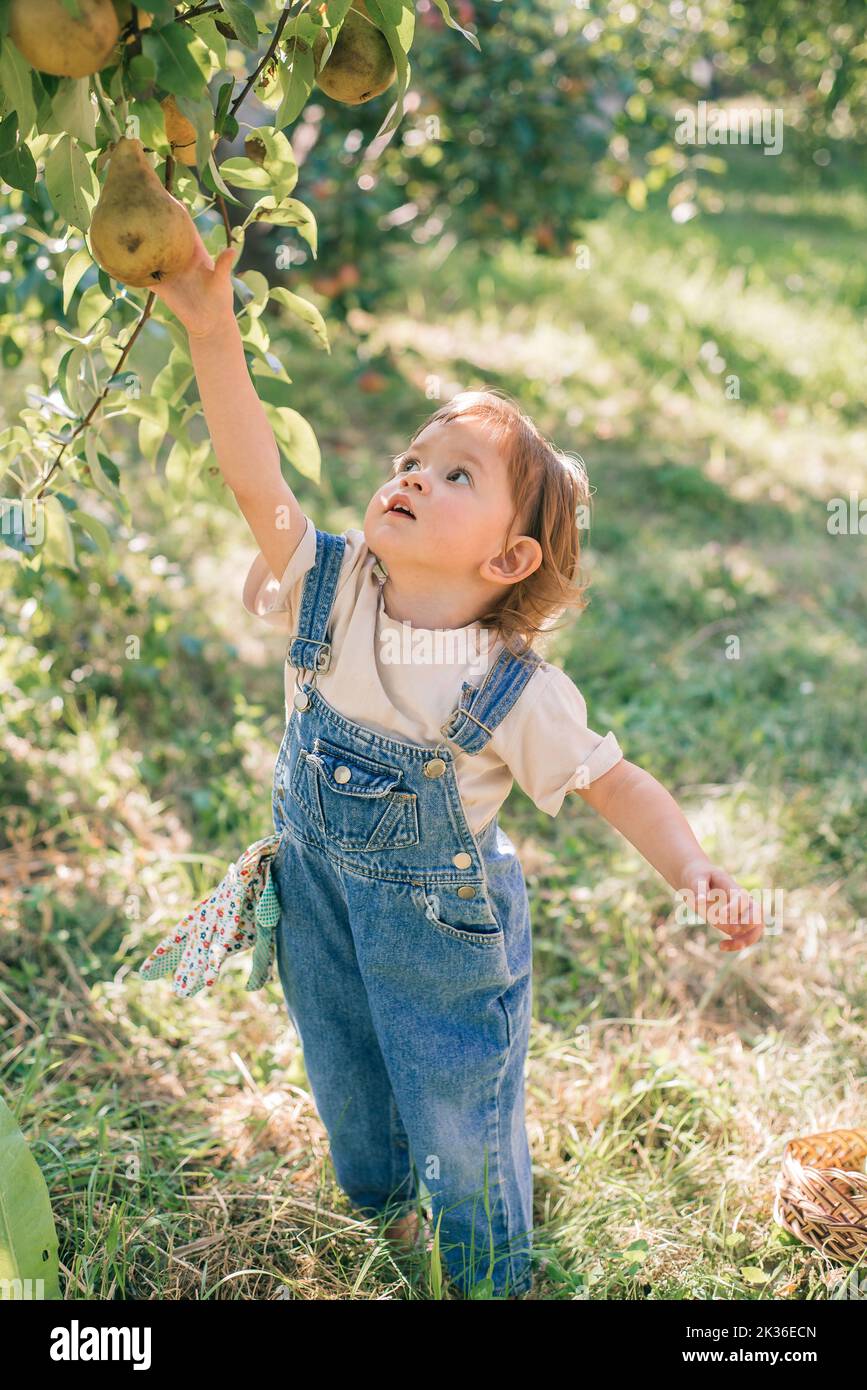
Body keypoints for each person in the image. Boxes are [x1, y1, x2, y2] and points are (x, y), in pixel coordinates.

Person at [151, 232, 764, 1300]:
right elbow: (256, 476)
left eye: (455, 475)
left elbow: (616, 782)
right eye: (413, 461)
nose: (413, 476)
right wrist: (212, 328)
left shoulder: (510, 690)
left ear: (508, 559)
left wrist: (694, 867)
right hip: (319, 907)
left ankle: (489, 1275)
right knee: (345, 1073)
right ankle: (384, 1209)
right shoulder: (332, 589)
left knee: (457, 1108)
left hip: (443, 944)